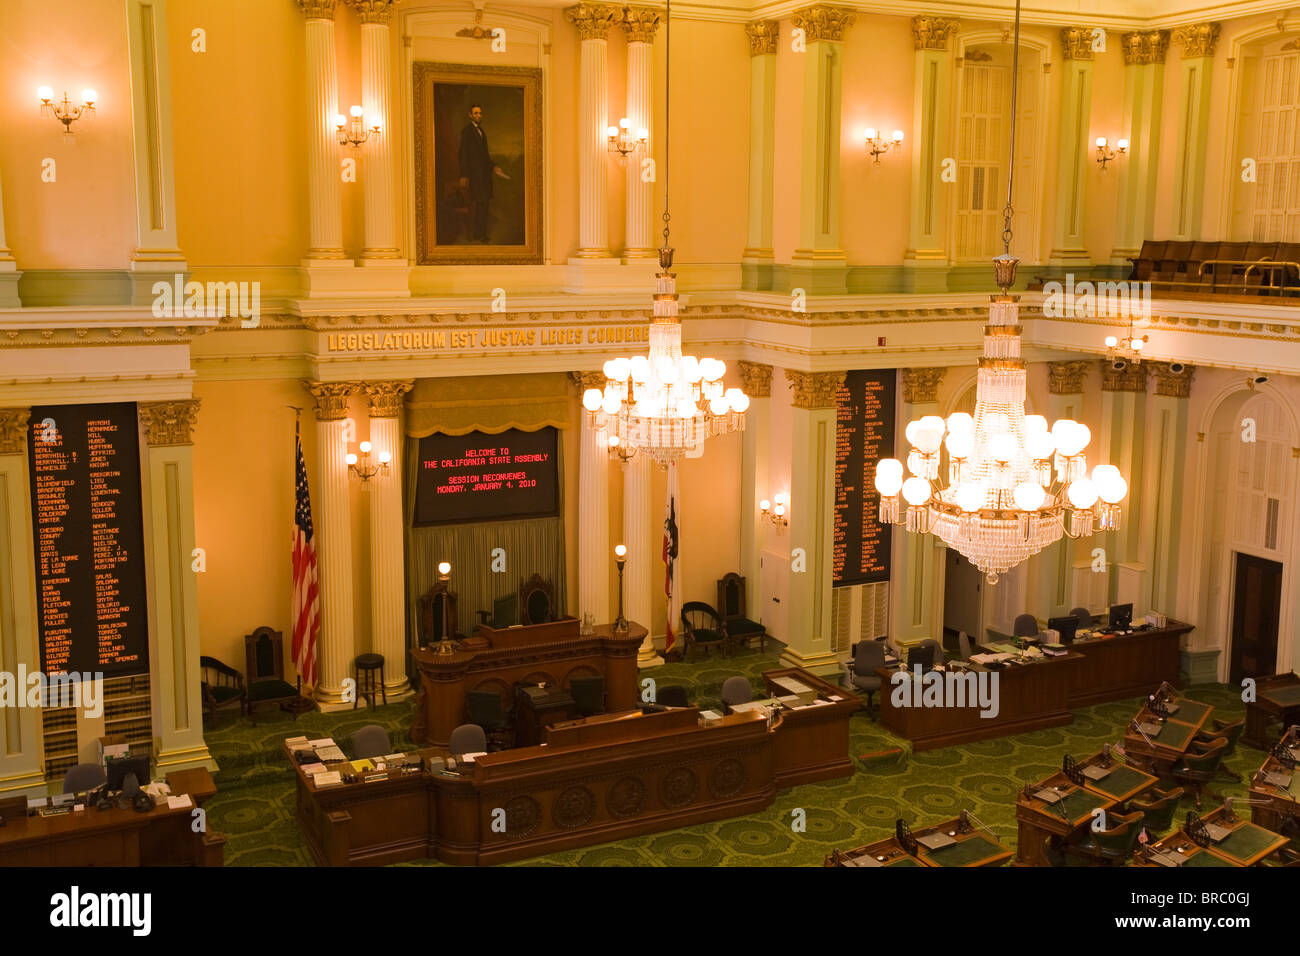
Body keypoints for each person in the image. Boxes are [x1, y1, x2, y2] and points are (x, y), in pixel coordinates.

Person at [458, 104, 508, 242]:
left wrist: (494, 167)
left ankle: (479, 234)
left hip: (484, 176)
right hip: (474, 176)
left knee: (484, 205)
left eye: (480, 113)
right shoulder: (467, 131)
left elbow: (484, 156)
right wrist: (463, 175)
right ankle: (479, 234)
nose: (479, 115)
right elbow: (463, 154)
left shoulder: (481, 132)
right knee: (480, 204)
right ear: (470, 115)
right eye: (475, 113)